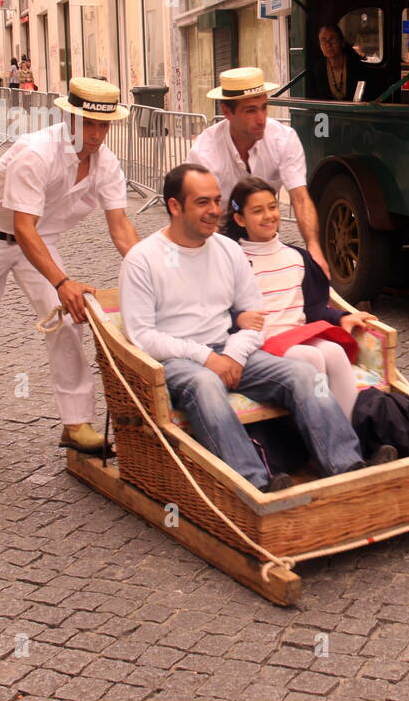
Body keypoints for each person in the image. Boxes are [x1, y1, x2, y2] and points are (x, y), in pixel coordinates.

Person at [119, 164, 383, 492]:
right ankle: (255, 486)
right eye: (202, 202)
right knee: (205, 384)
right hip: (176, 362)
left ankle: (346, 466)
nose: (215, 210)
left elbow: (255, 318)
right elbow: (142, 336)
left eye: (217, 201)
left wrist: (232, 353)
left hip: (230, 351)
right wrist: (206, 358)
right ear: (175, 206)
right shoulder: (143, 259)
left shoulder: (228, 251)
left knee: (303, 375)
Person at [0, 77, 141, 454]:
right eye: (89, 124)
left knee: (68, 319)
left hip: (40, 244)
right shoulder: (35, 153)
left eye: (104, 125)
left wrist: (154, 272)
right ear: (71, 119)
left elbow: (120, 228)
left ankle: (76, 423)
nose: (97, 134)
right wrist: (63, 281)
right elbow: (22, 226)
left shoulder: (106, 162)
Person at [224, 176, 375, 418]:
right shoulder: (233, 261)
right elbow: (221, 312)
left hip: (299, 334)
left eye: (272, 207)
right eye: (257, 211)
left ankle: (355, 436)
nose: (269, 215)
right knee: (311, 356)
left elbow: (314, 309)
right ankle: (322, 441)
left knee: (334, 351)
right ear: (240, 219)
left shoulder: (298, 257)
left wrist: (342, 317)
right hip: (261, 344)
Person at [186, 67, 329, 275]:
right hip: (218, 229)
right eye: (250, 111)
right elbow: (201, 214)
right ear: (227, 112)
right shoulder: (205, 151)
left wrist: (314, 247)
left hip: (263, 228)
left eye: (264, 108)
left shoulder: (284, 138)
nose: (261, 118)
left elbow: (300, 199)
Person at [307, 24, 375, 102]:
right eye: (323, 40)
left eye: (332, 39)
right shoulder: (318, 68)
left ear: (342, 42)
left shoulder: (357, 66)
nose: (328, 44)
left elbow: (365, 98)